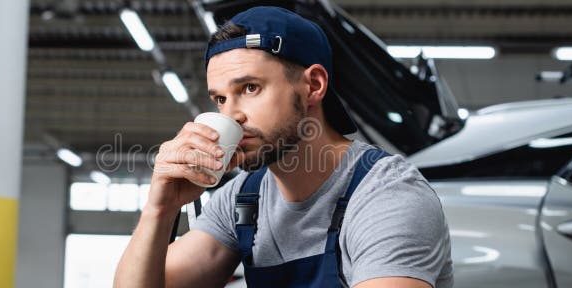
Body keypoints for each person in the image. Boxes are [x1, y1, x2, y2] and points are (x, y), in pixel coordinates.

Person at [114, 6, 453, 288]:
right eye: (220, 99)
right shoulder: (242, 200)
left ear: (314, 86)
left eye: (250, 88)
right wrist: (160, 210)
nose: (232, 115)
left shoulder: (386, 197)